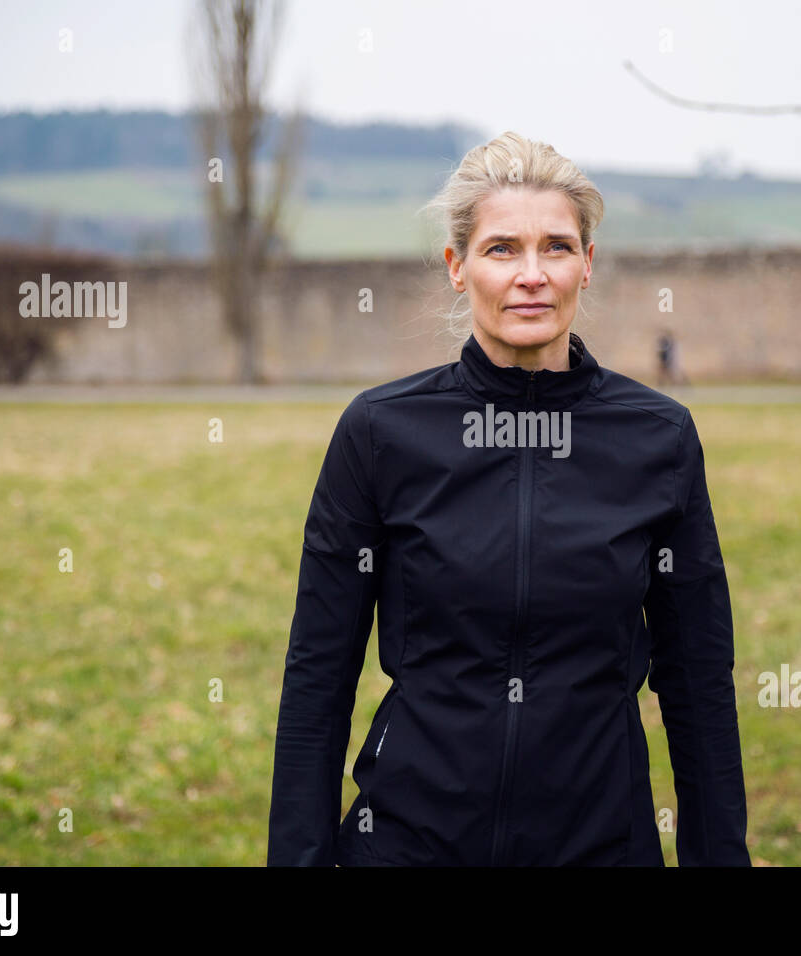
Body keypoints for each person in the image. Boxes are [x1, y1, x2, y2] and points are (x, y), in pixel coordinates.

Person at [267, 131, 750, 867]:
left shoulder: (659, 438)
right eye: (502, 249)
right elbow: (317, 679)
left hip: (602, 849)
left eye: (556, 247)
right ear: (457, 268)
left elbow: (699, 686)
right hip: (408, 848)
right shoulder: (380, 433)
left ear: (587, 265)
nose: (532, 275)